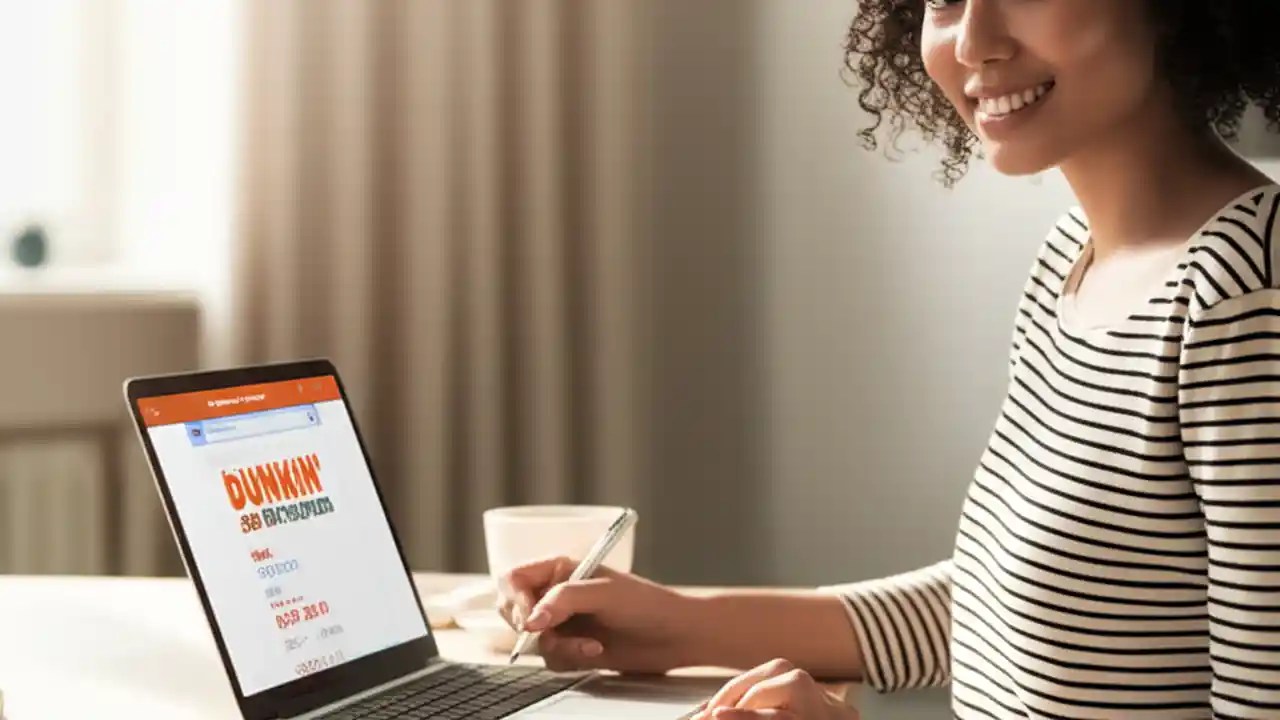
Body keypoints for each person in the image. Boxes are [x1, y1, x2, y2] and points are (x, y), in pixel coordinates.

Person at [499, 2, 1280, 717]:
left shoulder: (1247, 298)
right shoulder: (1075, 259)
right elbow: (1029, 608)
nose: (973, 41)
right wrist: (685, 625)